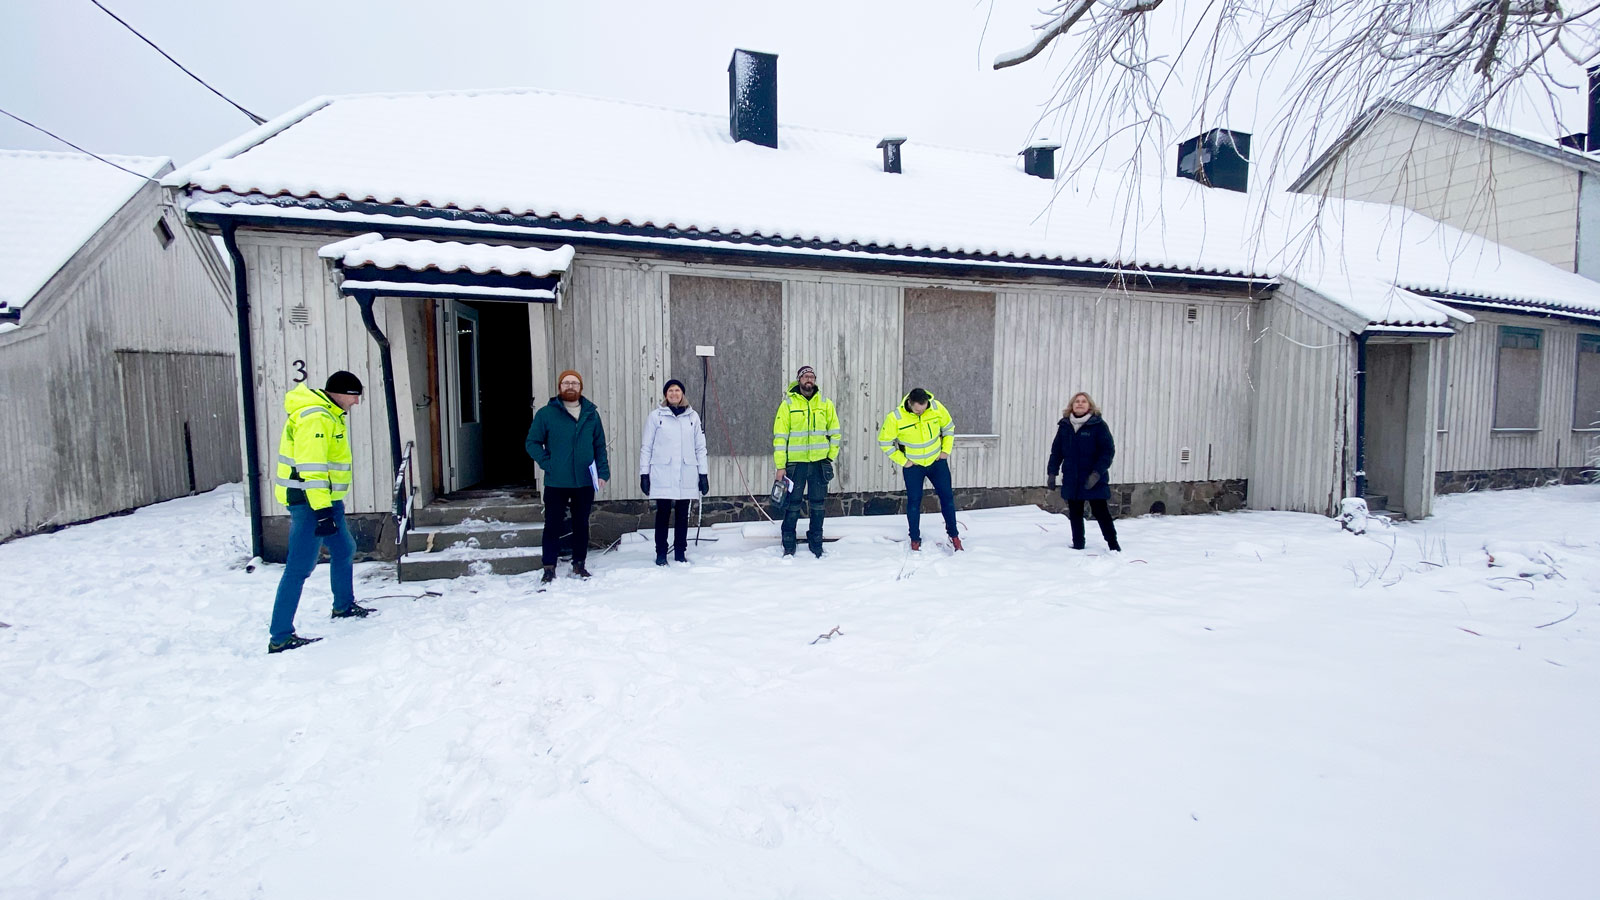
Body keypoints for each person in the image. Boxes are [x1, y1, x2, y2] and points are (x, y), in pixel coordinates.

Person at [268, 370, 374, 654]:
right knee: (299, 567)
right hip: (309, 503)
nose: (356, 402)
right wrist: (323, 512)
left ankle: (343, 606)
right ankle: (280, 636)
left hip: (326, 500)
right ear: (339, 393)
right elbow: (311, 470)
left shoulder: (330, 415)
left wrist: (329, 506)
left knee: (344, 549)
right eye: (354, 396)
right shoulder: (316, 418)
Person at [527, 369, 611, 583]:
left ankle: (579, 564)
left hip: (584, 480)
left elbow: (599, 446)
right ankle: (549, 566)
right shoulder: (546, 414)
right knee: (552, 524)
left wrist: (603, 472)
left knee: (581, 523)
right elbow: (532, 442)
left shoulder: (591, 414)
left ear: (580, 387)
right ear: (560, 387)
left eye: (574, 383)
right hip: (557, 481)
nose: (570, 386)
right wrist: (548, 463)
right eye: (566, 383)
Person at [878, 387, 962, 551]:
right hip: (914, 467)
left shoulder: (936, 407)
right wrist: (904, 461)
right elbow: (884, 442)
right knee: (914, 502)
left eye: (923, 410)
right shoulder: (896, 418)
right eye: (917, 411)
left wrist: (945, 451)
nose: (921, 413)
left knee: (947, 498)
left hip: (936, 463)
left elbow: (948, 428)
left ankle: (954, 536)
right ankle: (915, 539)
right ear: (910, 403)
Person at [772, 364, 840, 557]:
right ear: (799, 380)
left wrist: (830, 456)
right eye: (805, 376)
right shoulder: (788, 405)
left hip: (819, 463)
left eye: (812, 376)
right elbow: (780, 438)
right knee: (793, 504)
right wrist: (780, 466)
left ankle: (816, 540)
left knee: (818, 505)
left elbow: (835, 432)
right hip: (796, 465)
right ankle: (788, 540)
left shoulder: (825, 403)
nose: (809, 379)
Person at [639, 378, 709, 565]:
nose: (674, 394)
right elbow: (647, 447)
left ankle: (680, 551)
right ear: (665, 394)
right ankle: (661, 552)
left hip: (686, 473)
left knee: (682, 514)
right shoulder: (656, 417)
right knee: (663, 513)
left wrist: (703, 474)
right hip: (663, 472)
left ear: (682, 393)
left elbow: (700, 447)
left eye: (677, 390)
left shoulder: (692, 417)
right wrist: (644, 474)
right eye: (670, 391)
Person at [1047, 391, 1121, 552]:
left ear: (1089, 406)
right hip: (1072, 477)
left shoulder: (1098, 425)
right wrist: (1052, 473)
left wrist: (1097, 473)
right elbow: (1056, 451)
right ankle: (1078, 544)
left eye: (1083, 401)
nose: (1080, 404)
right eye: (1077, 401)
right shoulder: (1065, 426)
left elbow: (1107, 451)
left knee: (1100, 512)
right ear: (1072, 406)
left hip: (1093, 478)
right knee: (1075, 512)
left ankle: (1113, 544)